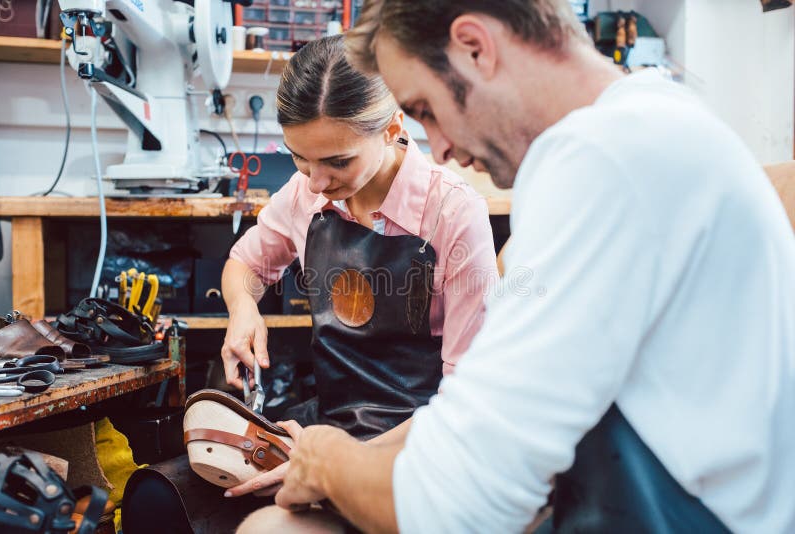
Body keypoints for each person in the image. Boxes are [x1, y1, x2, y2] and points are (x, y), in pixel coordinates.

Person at [257, 1, 795, 533]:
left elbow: (455, 509)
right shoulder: (643, 117)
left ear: (475, 48)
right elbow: (478, 404)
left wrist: (327, 459)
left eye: (426, 109)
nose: (438, 149)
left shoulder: (605, 162)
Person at [220, 34, 498, 501]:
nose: (317, 181)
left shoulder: (452, 212)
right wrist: (242, 309)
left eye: (337, 161)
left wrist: (333, 464)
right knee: (171, 493)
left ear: (392, 128)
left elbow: (467, 400)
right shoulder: (303, 191)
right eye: (300, 158)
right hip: (331, 418)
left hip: (422, 437)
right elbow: (243, 263)